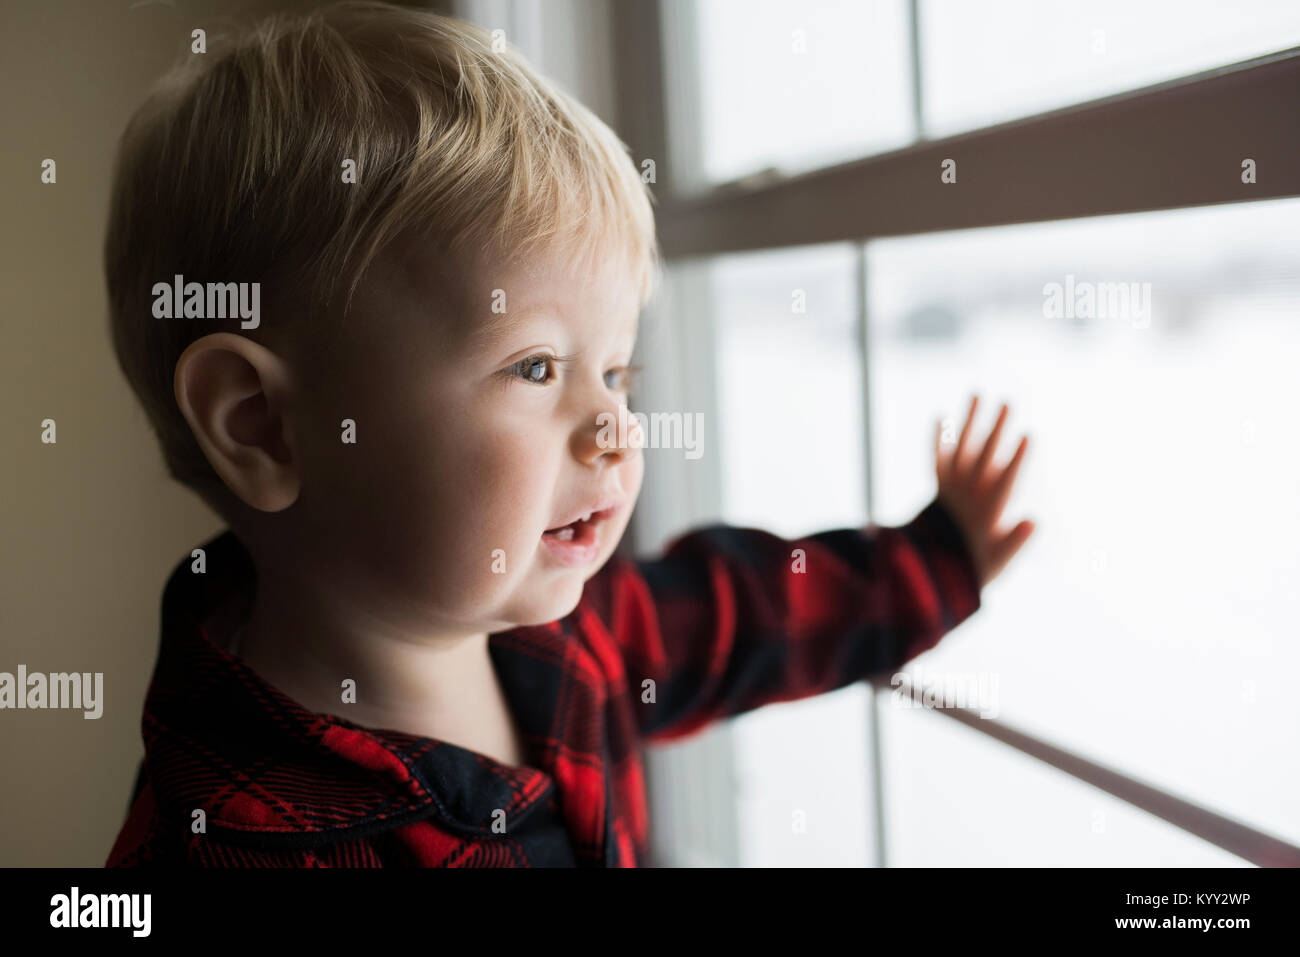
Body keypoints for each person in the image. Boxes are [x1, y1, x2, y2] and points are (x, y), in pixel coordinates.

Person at [104, 1, 1032, 867]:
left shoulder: (571, 631)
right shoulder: (221, 842)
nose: (616, 429)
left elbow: (738, 614)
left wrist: (935, 561)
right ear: (261, 424)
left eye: (617, 373)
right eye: (536, 367)